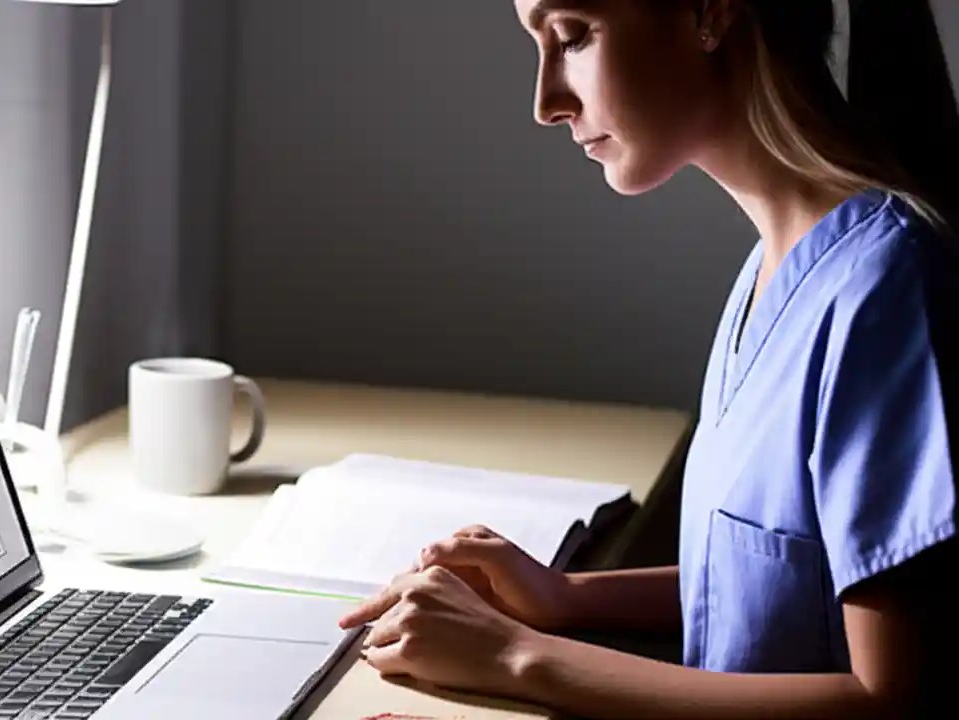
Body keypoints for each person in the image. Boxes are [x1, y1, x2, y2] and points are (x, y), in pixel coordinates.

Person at [337, 1, 959, 717]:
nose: (546, 103)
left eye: (571, 37)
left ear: (709, 11)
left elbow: (895, 697)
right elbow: (782, 582)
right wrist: (563, 597)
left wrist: (514, 656)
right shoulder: (776, 266)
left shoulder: (883, 291)